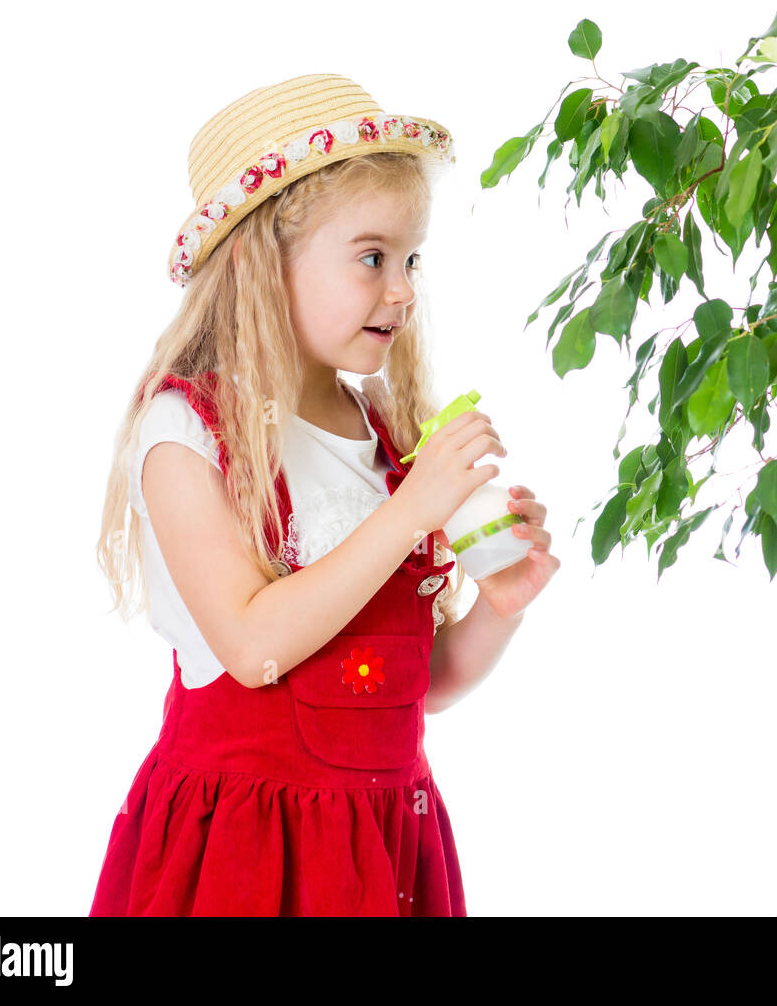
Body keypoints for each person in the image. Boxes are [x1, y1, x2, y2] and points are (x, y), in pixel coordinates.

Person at [88, 73, 560, 916]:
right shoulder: (186, 435)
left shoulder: (376, 429)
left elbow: (415, 682)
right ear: (259, 262)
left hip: (384, 851)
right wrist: (411, 512)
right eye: (373, 257)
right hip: (248, 851)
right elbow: (250, 644)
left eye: (411, 260)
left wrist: (501, 606)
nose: (405, 289)